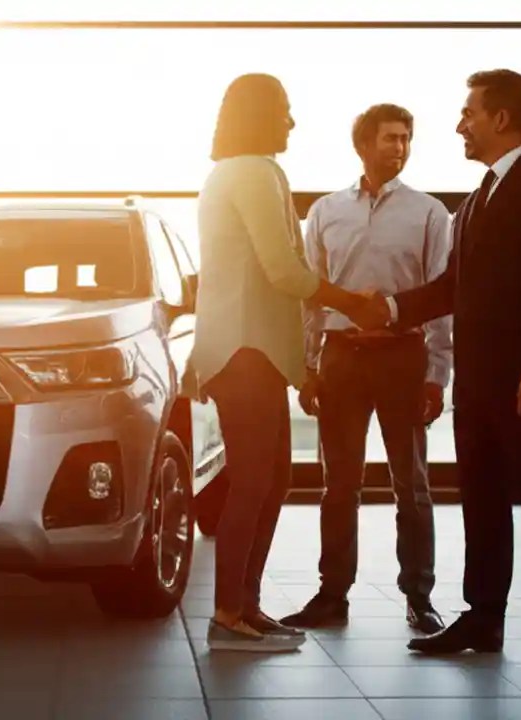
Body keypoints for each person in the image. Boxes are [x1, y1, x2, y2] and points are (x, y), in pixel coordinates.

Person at [346, 69, 521, 684]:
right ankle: (483, 617)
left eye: (469, 113)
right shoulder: (476, 200)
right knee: (482, 504)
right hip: (480, 386)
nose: (460, 124)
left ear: (501, 120)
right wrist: (395, 307)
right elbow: (454, 288)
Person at [188, 73, 364, 652]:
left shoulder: (236, 172)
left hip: (249, 351)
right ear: (260, 114)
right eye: (284, 111)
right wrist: (353, 303)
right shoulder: (252, 172)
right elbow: (283, 272)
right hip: (245, 352)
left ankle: (245, 607)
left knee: (271, 482)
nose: (291, 122)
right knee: (255, 485)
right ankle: (229, 616)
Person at [279, 104, 450, 636]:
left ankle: (419, 597)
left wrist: (437, 375)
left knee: (413, 485)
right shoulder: (327, 212)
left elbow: (441, 297)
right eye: (389, 139)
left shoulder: (429, 213)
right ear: (363, 144)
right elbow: (310, 295)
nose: (399, 148)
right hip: (341, 358)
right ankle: (333, 595)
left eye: (406, 139)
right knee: (338, 486)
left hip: (403, 358)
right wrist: (307, 366)